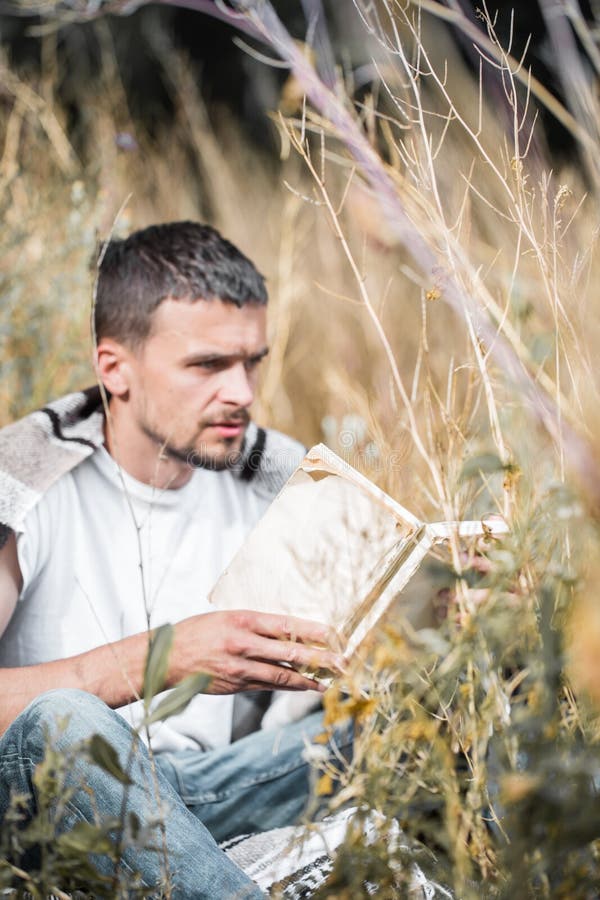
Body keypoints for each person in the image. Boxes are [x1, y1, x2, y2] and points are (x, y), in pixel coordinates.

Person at [0, 222, 351, 898]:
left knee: (414, 727)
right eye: (207, 365)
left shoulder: (275, 481)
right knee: (64, 721)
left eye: (252, 362)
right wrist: (162, 658)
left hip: (207, 791)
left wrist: (441, 616)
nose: (243, 393)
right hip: (56, 797)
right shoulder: (25, 483)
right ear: (114, 369)